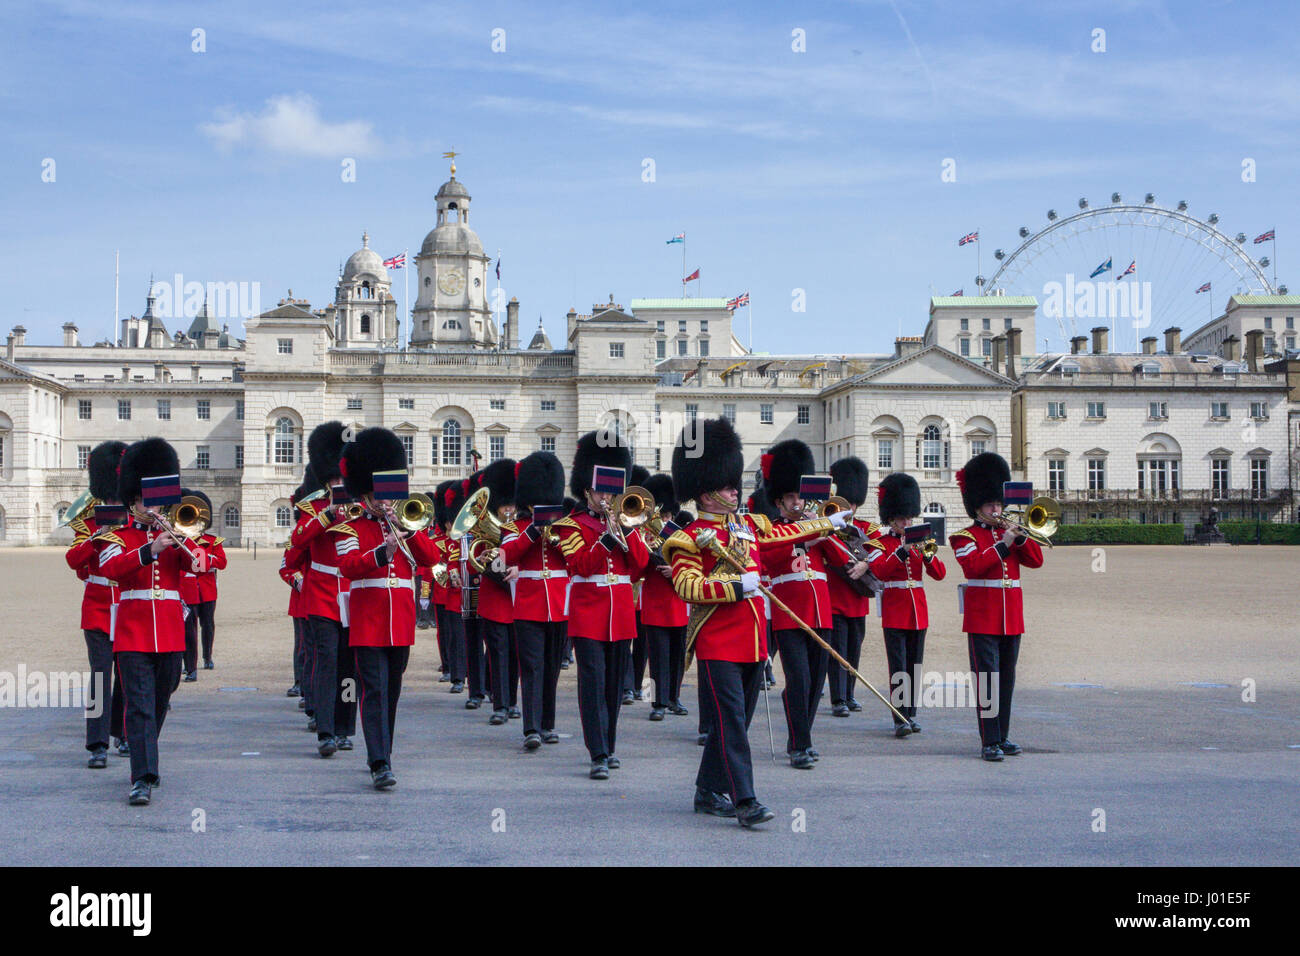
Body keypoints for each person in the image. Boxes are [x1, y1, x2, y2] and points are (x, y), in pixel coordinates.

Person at [664, 418, 850, 828]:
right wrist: (735, 586)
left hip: (753, 643)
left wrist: (829, 524)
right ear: (706, 490)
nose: (735, 489)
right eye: (727, 484)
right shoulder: (687, 537)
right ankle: (744, 799)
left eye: (734, 483)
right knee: (732, 724)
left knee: (737, 722)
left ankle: (706, 789)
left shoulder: (748, 526)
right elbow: (686, 586)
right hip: (717, 642)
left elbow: (789, 533)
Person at [334, 428, 440, 790]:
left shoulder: (406, 523)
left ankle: (384, 752)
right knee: (374, 689)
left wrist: (405, 529)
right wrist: (383, 552)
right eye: (377, 495)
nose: (384, 501)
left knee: (392, 690)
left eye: (387, 495)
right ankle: (379, 761)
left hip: (401, 621)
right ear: (365, 493)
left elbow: (432, 558)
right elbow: (348, 567)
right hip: (368, 620)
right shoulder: (351, 528)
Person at [97, 437, 194, 805]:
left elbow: (200, 564)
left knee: (159, 701)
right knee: (138, 706)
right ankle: (143, 776)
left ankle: (144, 749)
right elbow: (112, 568)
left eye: (156, 500)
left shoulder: (175, 535)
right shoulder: (116, 536)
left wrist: (185, 545)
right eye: (145, 500)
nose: (152, 506)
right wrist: (148, 550)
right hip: (133, 632)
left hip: (170, 632)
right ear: (132, 501)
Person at [552, 428, 650, 780]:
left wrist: (629, 531)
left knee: (614, 685)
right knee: (592, 683)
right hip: (589, 614)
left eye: (611, 489)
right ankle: (597, 752)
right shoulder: (570, 526)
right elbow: (578, 565)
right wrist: (607, 540)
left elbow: (640, 567)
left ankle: (609, 745)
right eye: (600, 490)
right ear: (586, 491)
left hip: (621, 613)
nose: (607, 496)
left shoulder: (627, 522)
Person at [759, 439, 853, 770]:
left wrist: (825, 532)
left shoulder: (817, 528)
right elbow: (767, 558)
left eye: (800, 496)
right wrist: (802, 535)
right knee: (798, 680)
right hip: (790, 615)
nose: (798, 502)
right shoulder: (775, 531)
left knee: (815, 681)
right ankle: (800, 744)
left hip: (821, 613)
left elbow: (843, 560)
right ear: (780, 502)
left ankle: (802, 737)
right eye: (791, 497)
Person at [949, 452, 1044, 762]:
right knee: (987, 680)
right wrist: (1002, 544)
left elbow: (1036, 561)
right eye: (991, 505)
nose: (997, 510)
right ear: (977, 506)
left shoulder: (1011, 533)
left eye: (999, 504)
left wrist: (1019, 540)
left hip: (1011, 618)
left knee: (1007, 679)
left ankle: (1002, 736)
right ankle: (989, 740)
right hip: (983, 620)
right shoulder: (963, 536)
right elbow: (973, 567)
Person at [291, 422, 358, 756]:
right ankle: (326, 729)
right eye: (333, 480)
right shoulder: (312, 508)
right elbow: (297, 542)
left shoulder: (362, 506)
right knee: (326, 661)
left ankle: (345, 726)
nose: (338, 484)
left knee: (349, 665)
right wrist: (326, 517)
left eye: (341, 479)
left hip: (353, 594)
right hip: (320, 593)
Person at [498, 451, 569, 750]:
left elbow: (574, 557)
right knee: (531, 666)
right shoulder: (515, 528)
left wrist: (554, 536)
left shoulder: (564, 525)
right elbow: (505, 557)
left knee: (552, 667)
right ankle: (531, 727)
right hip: (528, 604)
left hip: (558, 604)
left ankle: (548, 724)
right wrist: (532, 532)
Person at [868, 472, 946, 737]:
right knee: (898, 667)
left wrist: (927, 553)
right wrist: (900, 553)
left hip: (918, 612)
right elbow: (879, 571)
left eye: (909, 518)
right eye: (902, 518)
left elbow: (939, 573)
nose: (907, 522)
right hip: (895, 611)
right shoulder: (881, 543)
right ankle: (900, 717)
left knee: (914, 666)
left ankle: (911, 714)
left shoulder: (922, 541)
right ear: (891, 518)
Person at [65, 440, 128, 769]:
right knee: (101, 675)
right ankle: (97, 743)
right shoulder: (87, 523)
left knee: (129, 674)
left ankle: (125, 733)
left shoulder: (135, 521)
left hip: (130, 606)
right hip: (99, 608)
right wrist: (95, 537)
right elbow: (74, 562)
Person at [824, 457, 878, 718]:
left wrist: (865, 565)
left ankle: (850, 694)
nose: (852, 508)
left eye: (855, 504)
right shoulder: (829, 528)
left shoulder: (868, 528)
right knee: (837, 651)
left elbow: (881, 553)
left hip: (858, 600)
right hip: (834, 598)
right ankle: (837, 698)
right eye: (848, 503)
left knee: (855, 649)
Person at [638, 473, 689, 722]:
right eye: (662, 515)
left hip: (678, 602)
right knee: (655, 657)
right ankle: (654, 702)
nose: (665, 519)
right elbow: (636, 570)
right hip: (655, 603)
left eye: (668, 515)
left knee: (677, 657)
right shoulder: (644, 534)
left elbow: (691, 565)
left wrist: (675, 571)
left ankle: (673, 698)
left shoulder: (681, 534)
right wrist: (643, 547)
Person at [474, 458, 519, 726]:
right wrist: (502, 571)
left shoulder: (521, 529)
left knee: (514, 654)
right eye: (505, 506)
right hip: (494, 600)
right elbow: (476, 559)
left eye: (512, 505)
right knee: (498, 653)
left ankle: (511, 701)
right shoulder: (485, 528)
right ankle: (500, 704)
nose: (510, 510)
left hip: (518, 602)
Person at [190, 490, 226, 670]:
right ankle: (189, 663)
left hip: (207, 589)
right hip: (187, 589)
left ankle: (207, 657)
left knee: (208, 626)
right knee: (189, 629)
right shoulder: (181, 540)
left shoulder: (212, 541)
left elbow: (222, 562)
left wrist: (205, 560)